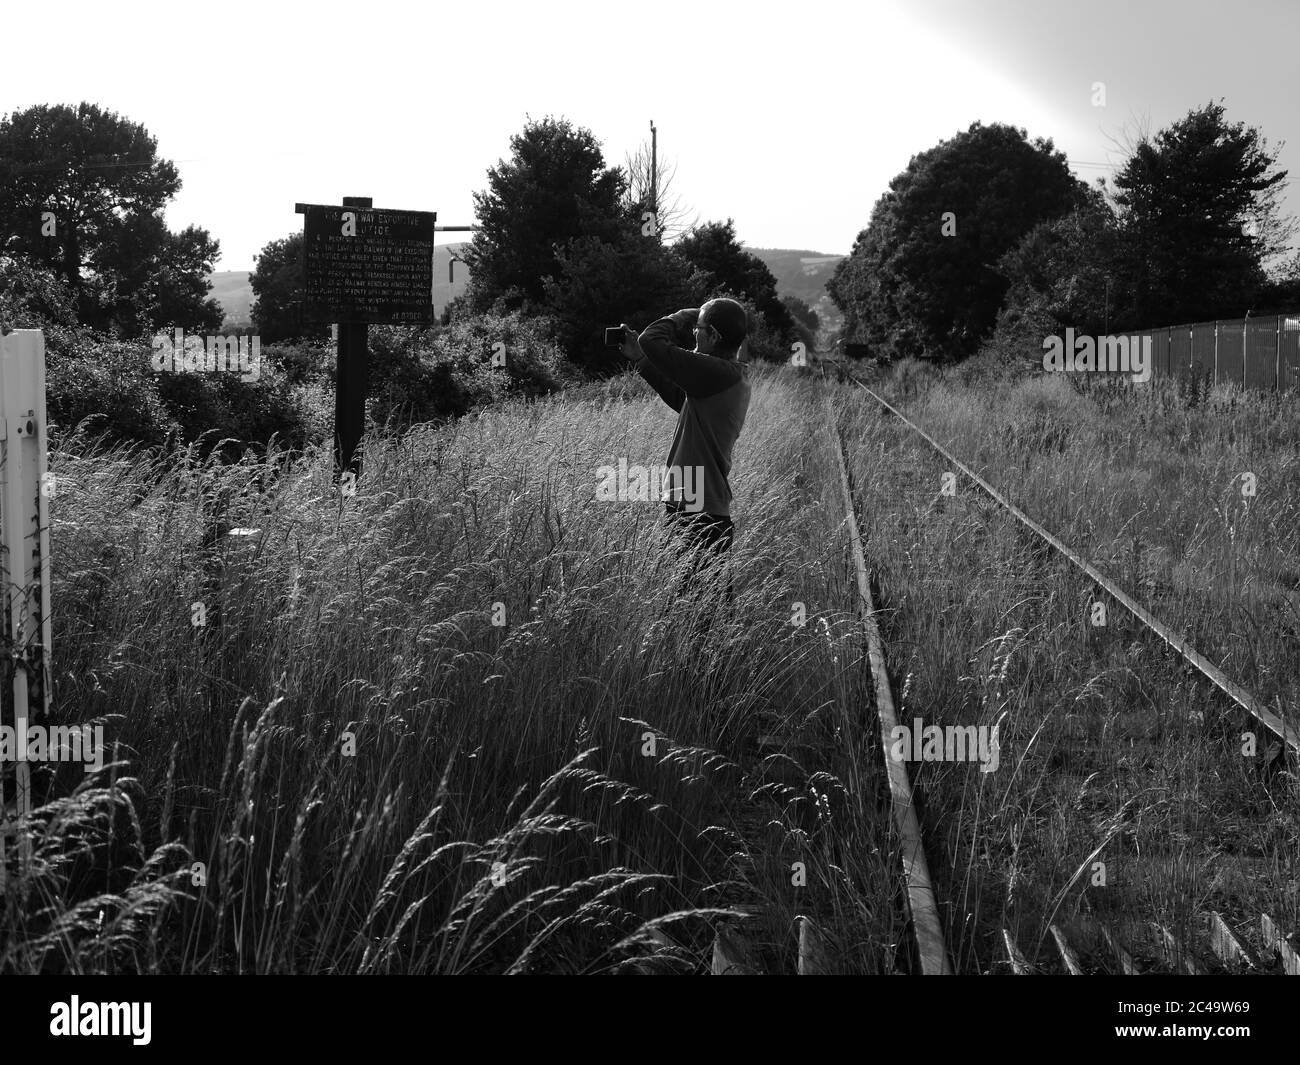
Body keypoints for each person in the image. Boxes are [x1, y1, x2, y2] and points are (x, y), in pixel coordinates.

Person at [617, 298, 752, 639]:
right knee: (690, 615)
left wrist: (686, 313)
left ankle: (703, 689)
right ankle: (699, 687)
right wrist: (641, 362)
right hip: (695, 506)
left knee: (696, 622)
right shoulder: (719, 378)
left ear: (714, 336)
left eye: (699, 330)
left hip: (699, 513)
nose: (693, 333)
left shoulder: (718, 372)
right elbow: (682, 399)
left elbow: (652, 338)